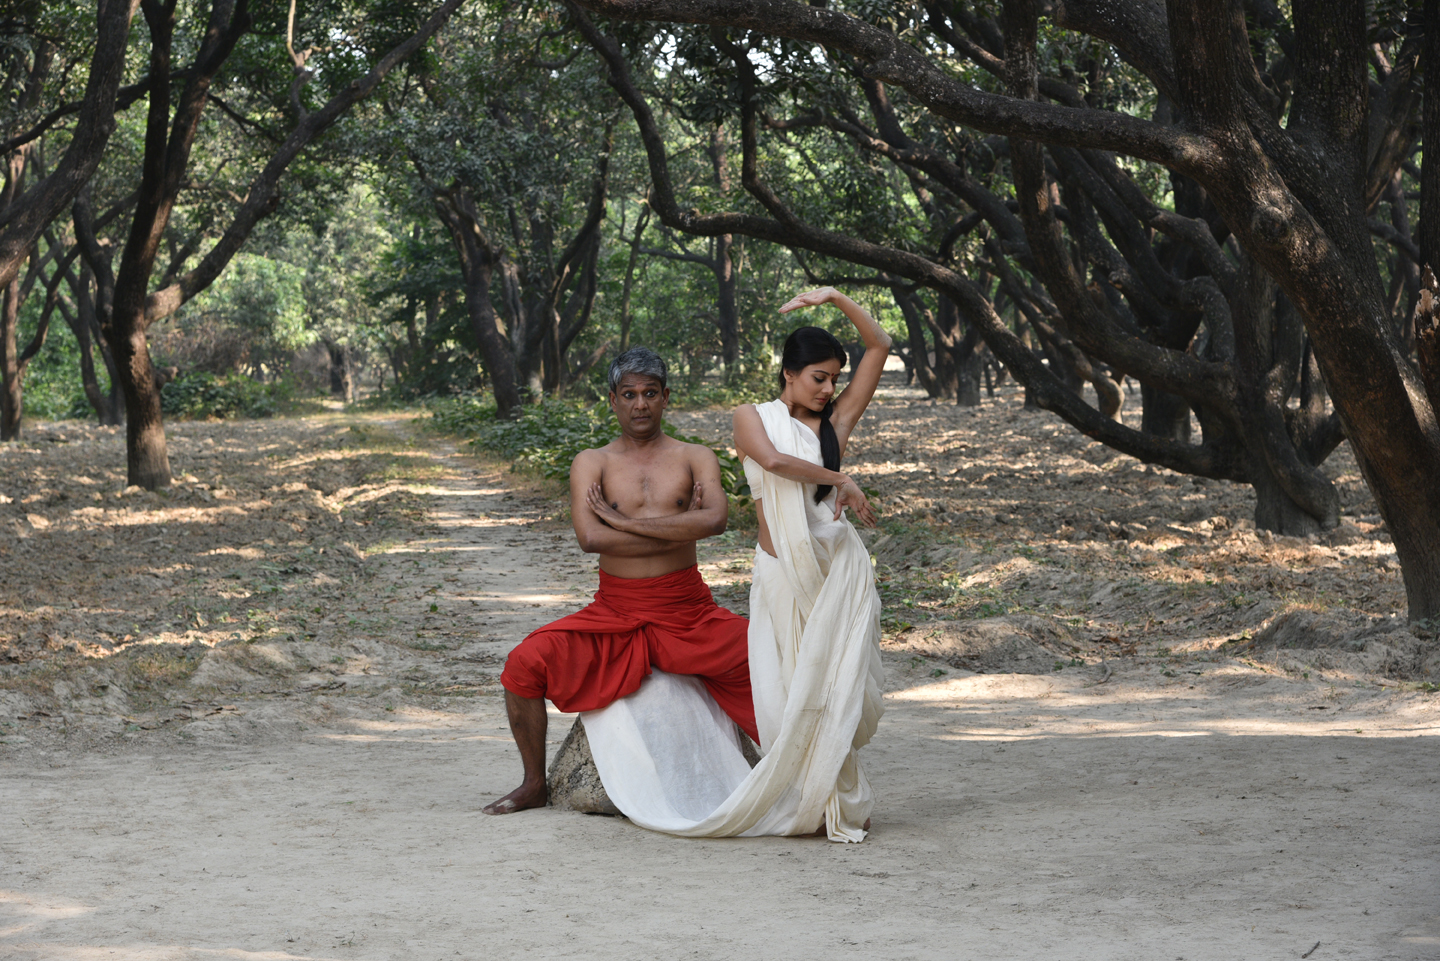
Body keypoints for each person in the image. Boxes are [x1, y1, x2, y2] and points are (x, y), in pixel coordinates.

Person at [578, 287, 889, 841]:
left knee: (834, 687)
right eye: (818, 376)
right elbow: (771, 461)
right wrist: (839, 477)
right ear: (789, 375)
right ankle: (801, 791)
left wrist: (837, 296)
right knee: (788, 688)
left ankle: (829, 796)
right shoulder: (753, 418)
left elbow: (880, 343)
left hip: (835, 568)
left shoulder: (835, 425)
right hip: (778, 572)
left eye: (835, 378)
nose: (828, 388)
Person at [483, 347, 757, 816]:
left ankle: (799, 774)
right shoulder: (593, 462)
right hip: (615, 611)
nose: (640, 404)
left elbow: (713, 522)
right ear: (612, 399)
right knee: (522, 665)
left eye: (650, 393)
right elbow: (591, 538)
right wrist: (675, 528)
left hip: (687, 611)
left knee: (776, 654)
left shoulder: (695, 456)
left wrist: (623, 523)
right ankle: (533, 783)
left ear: (666, 397)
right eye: (629, 394)